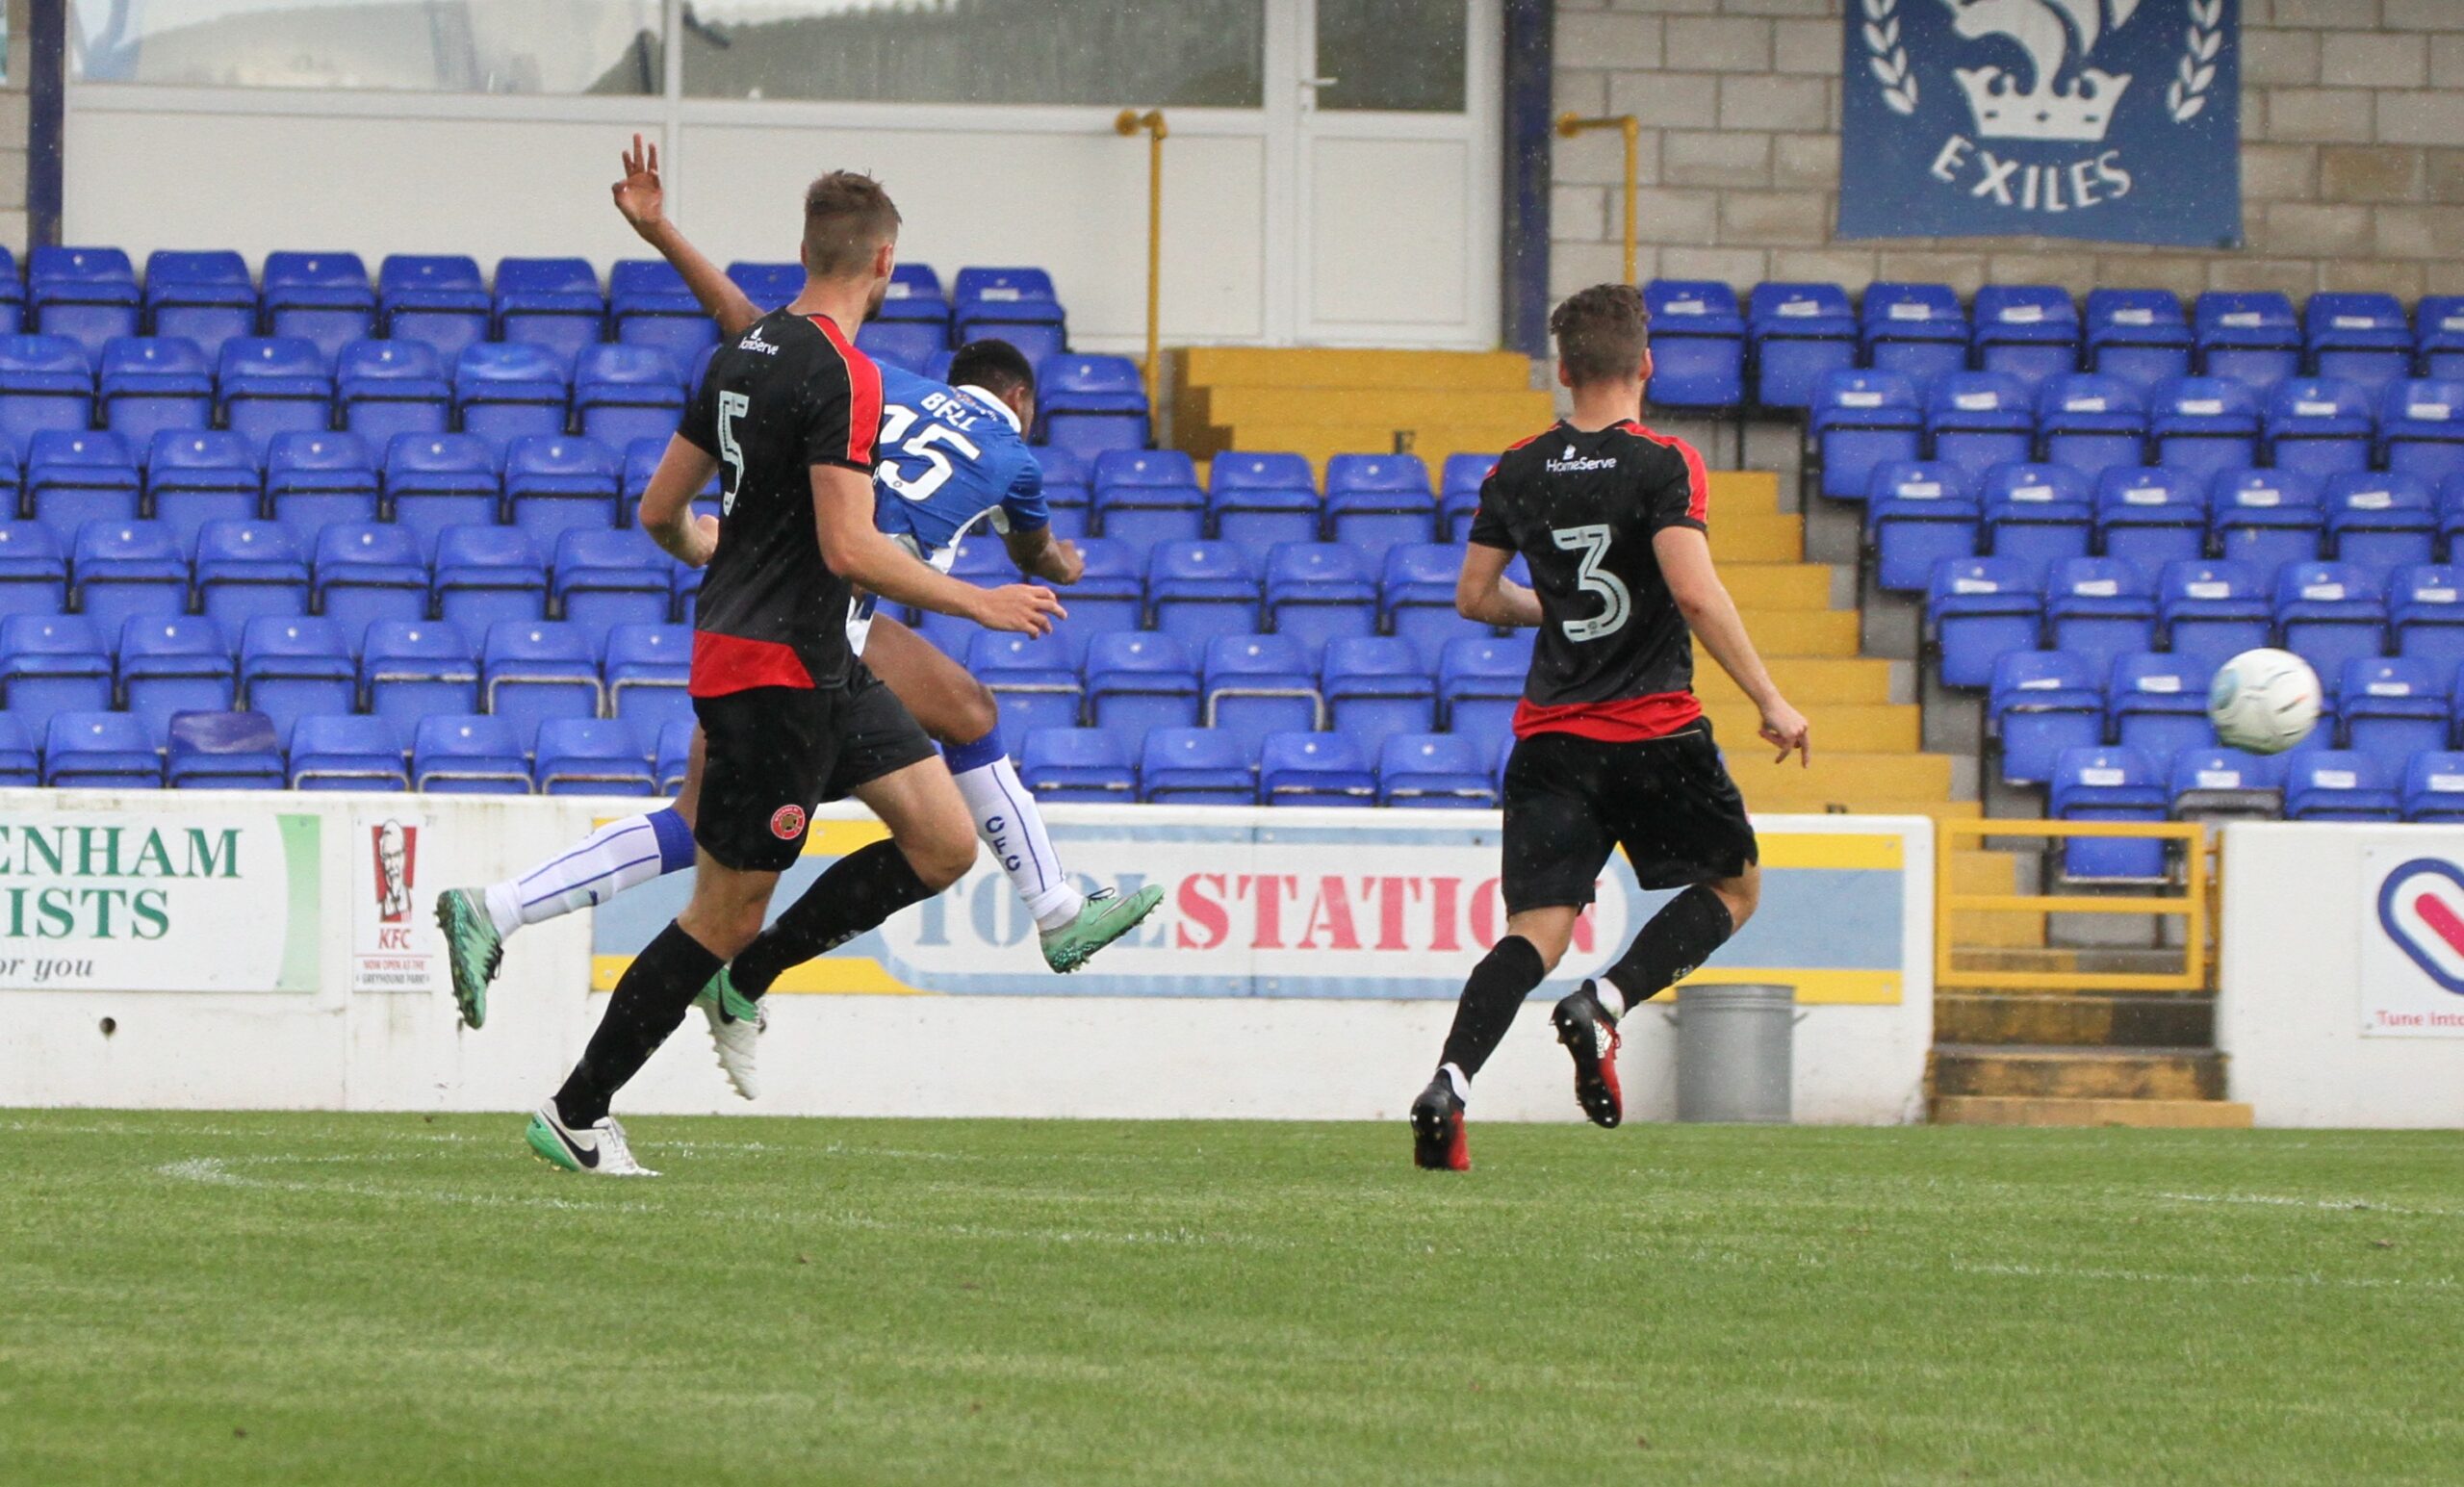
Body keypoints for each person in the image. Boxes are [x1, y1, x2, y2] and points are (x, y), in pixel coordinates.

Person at [438, 137, 1161, 1073]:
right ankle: (580, 1035)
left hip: (787, 620)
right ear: (1021, 399)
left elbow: (748, 331)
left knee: (946, 755)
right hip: (811, 629)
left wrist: (662, 231)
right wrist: (1039, 575)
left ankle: (1047, 906)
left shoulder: (881, 381)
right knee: (720, 856)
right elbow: (1030, 554)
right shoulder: (999, 449)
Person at [526, 168, 1065, 1176]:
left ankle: (748, 981)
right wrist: (981, 602)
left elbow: (656, 514)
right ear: (885, 262)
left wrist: (719, 556)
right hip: (782, 667)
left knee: (944, 841)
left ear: (810, 247)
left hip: (805, 656)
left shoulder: (750, 352)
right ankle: (578, 1109)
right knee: (723, 912)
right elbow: (853, 547)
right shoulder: (847, 377)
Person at [1407, 283, 1811, 1172]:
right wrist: (1771, 700)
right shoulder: (1665, 463)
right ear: (1646, 366)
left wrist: (1550, 611)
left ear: (1563, 369)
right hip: (1653, 732)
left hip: (1552, 741)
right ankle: (1609, 1000)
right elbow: (1695, 592)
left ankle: (1451, 1080)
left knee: (1533, 932)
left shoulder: (1515, 467)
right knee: (1735, 888)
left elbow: (1474, 597)